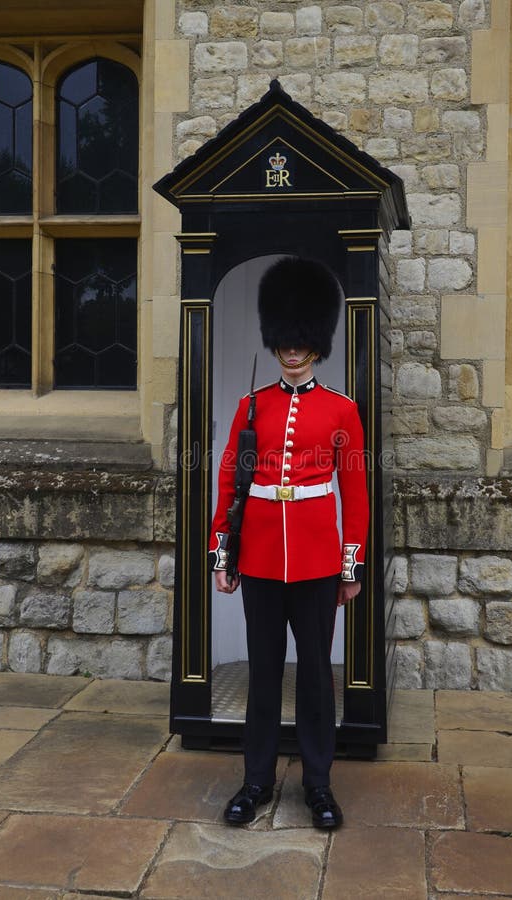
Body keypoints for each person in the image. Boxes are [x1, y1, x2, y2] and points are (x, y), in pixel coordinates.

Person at [208, 256, 369, 829]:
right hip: (258, 560)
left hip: (317, 560)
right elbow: (231, 481)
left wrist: (350, 566)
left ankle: (318, 785)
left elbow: (355, 494)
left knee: (316, 679)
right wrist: (222, 553)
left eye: (301, 340)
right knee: (264, 672)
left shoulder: (342, 410)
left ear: (315, 342)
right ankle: (255, 781)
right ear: (276, 340)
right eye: (285, 340)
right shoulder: (251, 407)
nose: (292, 350)